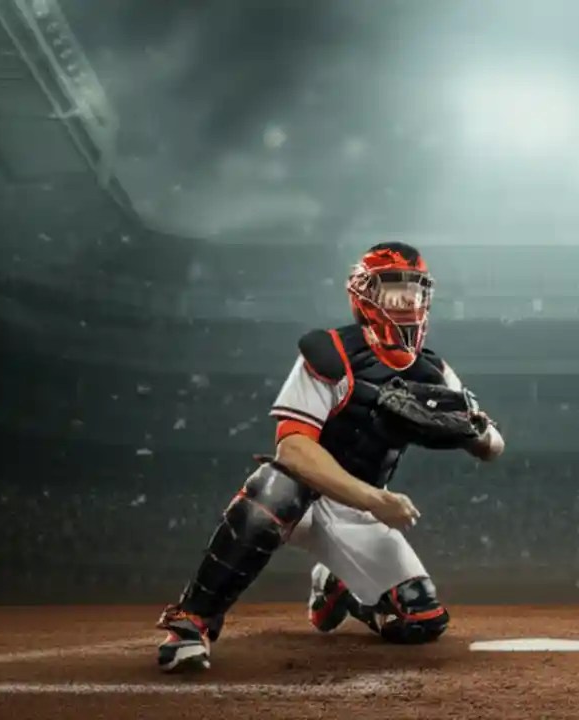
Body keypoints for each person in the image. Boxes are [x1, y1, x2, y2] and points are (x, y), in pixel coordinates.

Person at [155, 241, 505, 672]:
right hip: (306, 498)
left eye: (415, 292)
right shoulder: (332, 352)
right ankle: (191, 622)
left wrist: (473, 429)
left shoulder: (433, 371)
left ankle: (340, 586)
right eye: (395, 291)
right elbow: (295, 448)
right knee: (276, 484)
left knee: (422, 618)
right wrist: (377, 500)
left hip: (358, 511)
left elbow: (493, 446)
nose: (408, 303)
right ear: (365, 295)